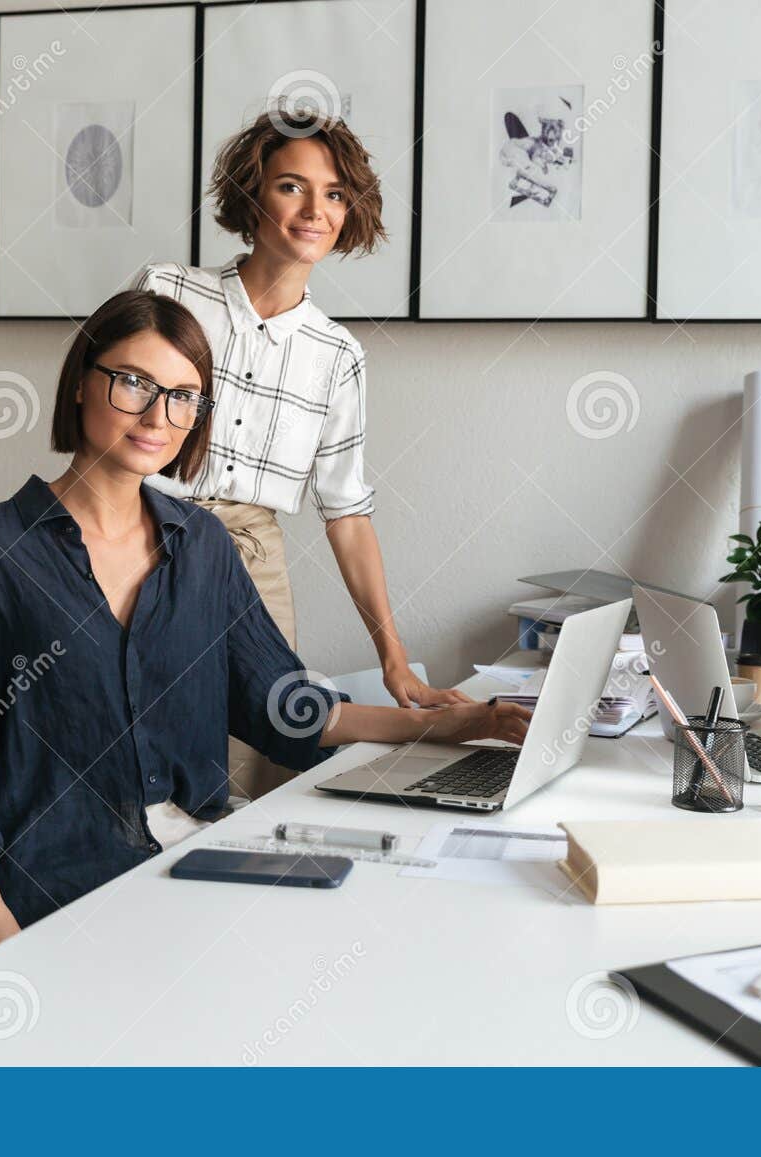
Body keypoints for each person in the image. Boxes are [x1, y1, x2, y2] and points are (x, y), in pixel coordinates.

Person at [0, 290, 529, 964]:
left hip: (198, 861)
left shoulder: (201, 545)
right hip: (56, 880)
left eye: (185, 396)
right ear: (81, 383)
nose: (159, 415)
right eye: (134, 383)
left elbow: (285, 704)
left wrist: (449, 725)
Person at [131, 109, 469, 800]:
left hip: (254, 559)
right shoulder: (169, 291)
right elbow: (107, 427)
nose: (317, 209)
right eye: (293, 186)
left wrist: (394, 662)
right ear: (253, 194)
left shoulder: (337, 355)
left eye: (337, 194)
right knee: (139, 750)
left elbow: (346, 512)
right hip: (139, 539)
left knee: (256, 765)